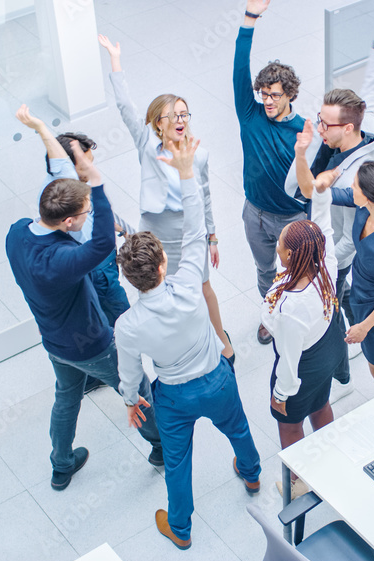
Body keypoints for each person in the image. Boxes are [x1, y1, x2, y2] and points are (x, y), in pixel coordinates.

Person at [115, 136, 261, 551]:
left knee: (178, 465)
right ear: (164, 263)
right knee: (238, 428)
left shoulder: (127, 326)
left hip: (172, 398)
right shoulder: (188, 282)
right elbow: (195, 229)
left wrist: (130, 401)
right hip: (216, 379)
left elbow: (130, 375)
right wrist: (185, 171)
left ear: (132, 279)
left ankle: (180, 527)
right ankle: (251, 473)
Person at [7, 105, 162, 491]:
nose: (91, 209)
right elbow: (102, 244)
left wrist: (42, 128)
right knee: (137, 388)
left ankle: (61, 465)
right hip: (90, 344)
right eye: (86, 209)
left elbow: (58, 177)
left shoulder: (17, 233)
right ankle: (162, 445)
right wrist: (98, 186)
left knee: (66, 398)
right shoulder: (64, 261)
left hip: (55, 344)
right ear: (71, 222)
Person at [288, 11, 374, 403]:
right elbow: (369, 92)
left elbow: (347, 239)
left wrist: (321, 265)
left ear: (348, 128)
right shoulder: (360, 134)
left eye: (325, 123)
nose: (318, 127)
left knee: (340, 320)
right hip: (359, 269)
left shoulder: (355, 185)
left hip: (342, 259)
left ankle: (345, 370)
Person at [99, 34, 234, 363]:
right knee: (157, 287)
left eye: (184, 114)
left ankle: (222, 341)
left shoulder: (197, 153)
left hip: (188, 228)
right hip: (154, 229)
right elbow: (124, 107)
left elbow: (203, 195)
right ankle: (177, 345)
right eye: (171, 116)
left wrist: (212, 236)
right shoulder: (146, 141)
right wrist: (115, 62)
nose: (179, 121)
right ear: (157, 123)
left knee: (202, 287)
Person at [262, 128, 349, 499]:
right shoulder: (323, 257)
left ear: (289, 256)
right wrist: (322, 187)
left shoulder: (291, 306)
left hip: (305, 359)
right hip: (329, 343)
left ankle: (298, 484)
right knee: (322, 401)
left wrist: (282, 394)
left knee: (291, 423)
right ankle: (331, 459)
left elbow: (290, 360)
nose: (278, 247)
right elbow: (323, 220)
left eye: (281, 245)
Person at [295, 125, 374, 395]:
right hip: (363, 297)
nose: (350, 187)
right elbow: (314, 192)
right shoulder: (363, 206)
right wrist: (306, 163)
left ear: (369, 197)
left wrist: (363, 327)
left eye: (355, 185)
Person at [235, 0, 310, 345]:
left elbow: (313, 184)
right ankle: (271, 313)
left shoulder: (303, 130)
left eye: (275, 95)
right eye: (264, 94)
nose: (267, 101)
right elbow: (239, 66)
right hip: (254, 213)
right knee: (264, 270)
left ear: (290, 94)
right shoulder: (250, 115)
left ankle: (299, 316)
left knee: (298, 273)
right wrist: (250, 19)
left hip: (290, 218)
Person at [37, 131, 136, 394]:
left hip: (93, 262)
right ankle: (128, 376)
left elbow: (98, 213)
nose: (90, 169)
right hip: (95, 263)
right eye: (84, 165)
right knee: (122, 316)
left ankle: (98, 372)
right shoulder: (66, 197)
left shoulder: (58, 187)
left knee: (99, 313)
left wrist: (127, 230)